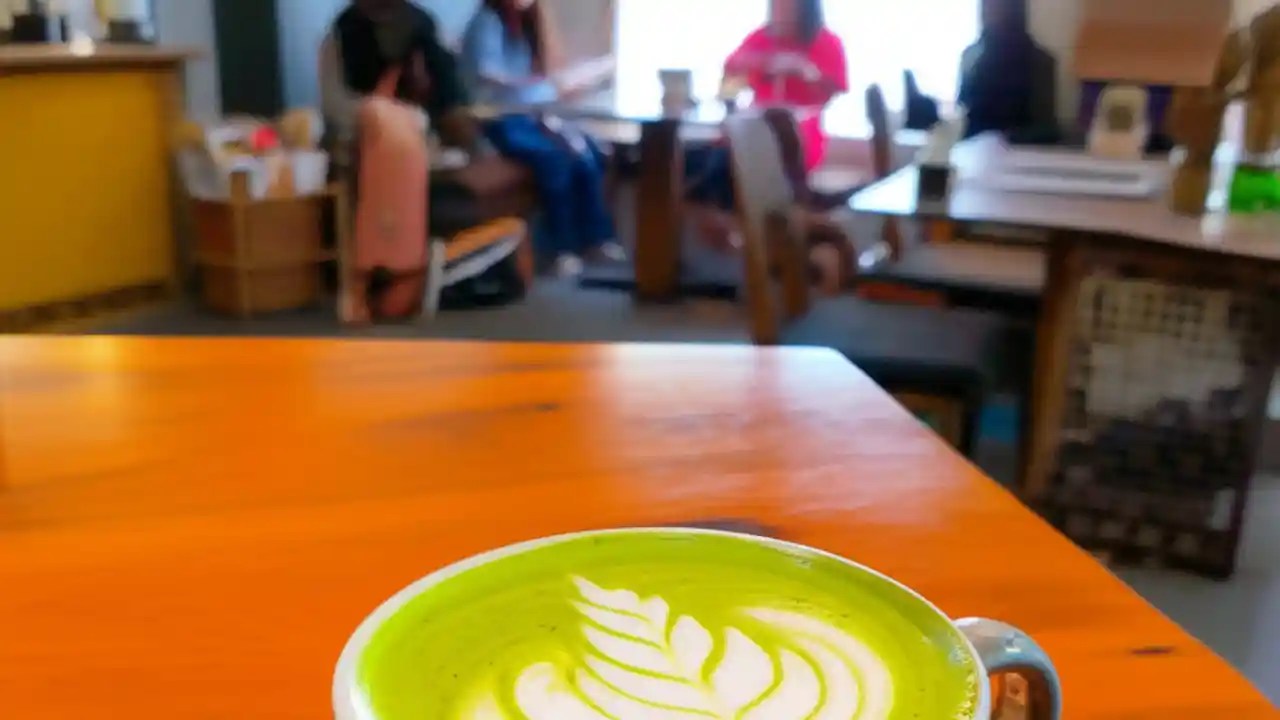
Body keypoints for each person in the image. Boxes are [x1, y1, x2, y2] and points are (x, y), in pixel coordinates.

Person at [460, 0, 623, 277]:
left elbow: (535, 87)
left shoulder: (526, 25)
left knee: (587, 153)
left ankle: (596, 239)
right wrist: (544, 87)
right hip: (496, 118)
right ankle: (560, 249)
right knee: (553, 160)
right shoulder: (487, 22)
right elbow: (488, 77)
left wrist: (553, 88)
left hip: (530, 113)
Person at [688, 0, 849, 248]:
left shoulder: (826, 41)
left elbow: (832, 91)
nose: (781, 9)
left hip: (801, 135)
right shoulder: (761, 38)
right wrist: (760, 63)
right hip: (755, 129)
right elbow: (730, 73)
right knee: (711, 158)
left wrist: (806, 71)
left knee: (746, 162)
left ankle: (745, 230)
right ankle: (721, 220)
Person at [320, 0, 485, 160]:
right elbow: (336, 105)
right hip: (363, 149)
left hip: (431, 150)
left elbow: (453, 98)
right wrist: (395, 117)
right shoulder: (340, 36)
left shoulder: (424, 28)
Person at [957, 0, 1059, 143]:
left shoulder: (1040, 61)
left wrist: (1006, 138)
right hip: (974, 148)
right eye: (986, 5)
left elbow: (1045, 127)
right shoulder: (971, 56)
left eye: (996, 5)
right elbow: (962, 111)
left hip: (1021, 149)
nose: (988, 11)